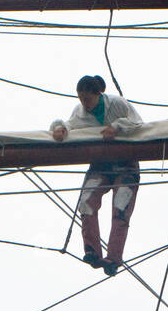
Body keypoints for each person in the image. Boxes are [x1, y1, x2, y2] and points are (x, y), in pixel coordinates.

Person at [50, 74, 143, 276]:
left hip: (126, 163)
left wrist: (116, 127)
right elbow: (69, 124)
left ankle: (114, 258)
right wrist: (59, 129)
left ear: (98, 94)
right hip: (100, 164)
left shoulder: (117, 104)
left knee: (121, 207)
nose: (85, 103)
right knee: (86, 202)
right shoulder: (81, 111)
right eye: (81, 98)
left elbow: (137, 123)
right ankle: (92, 251)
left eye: (88, 99)